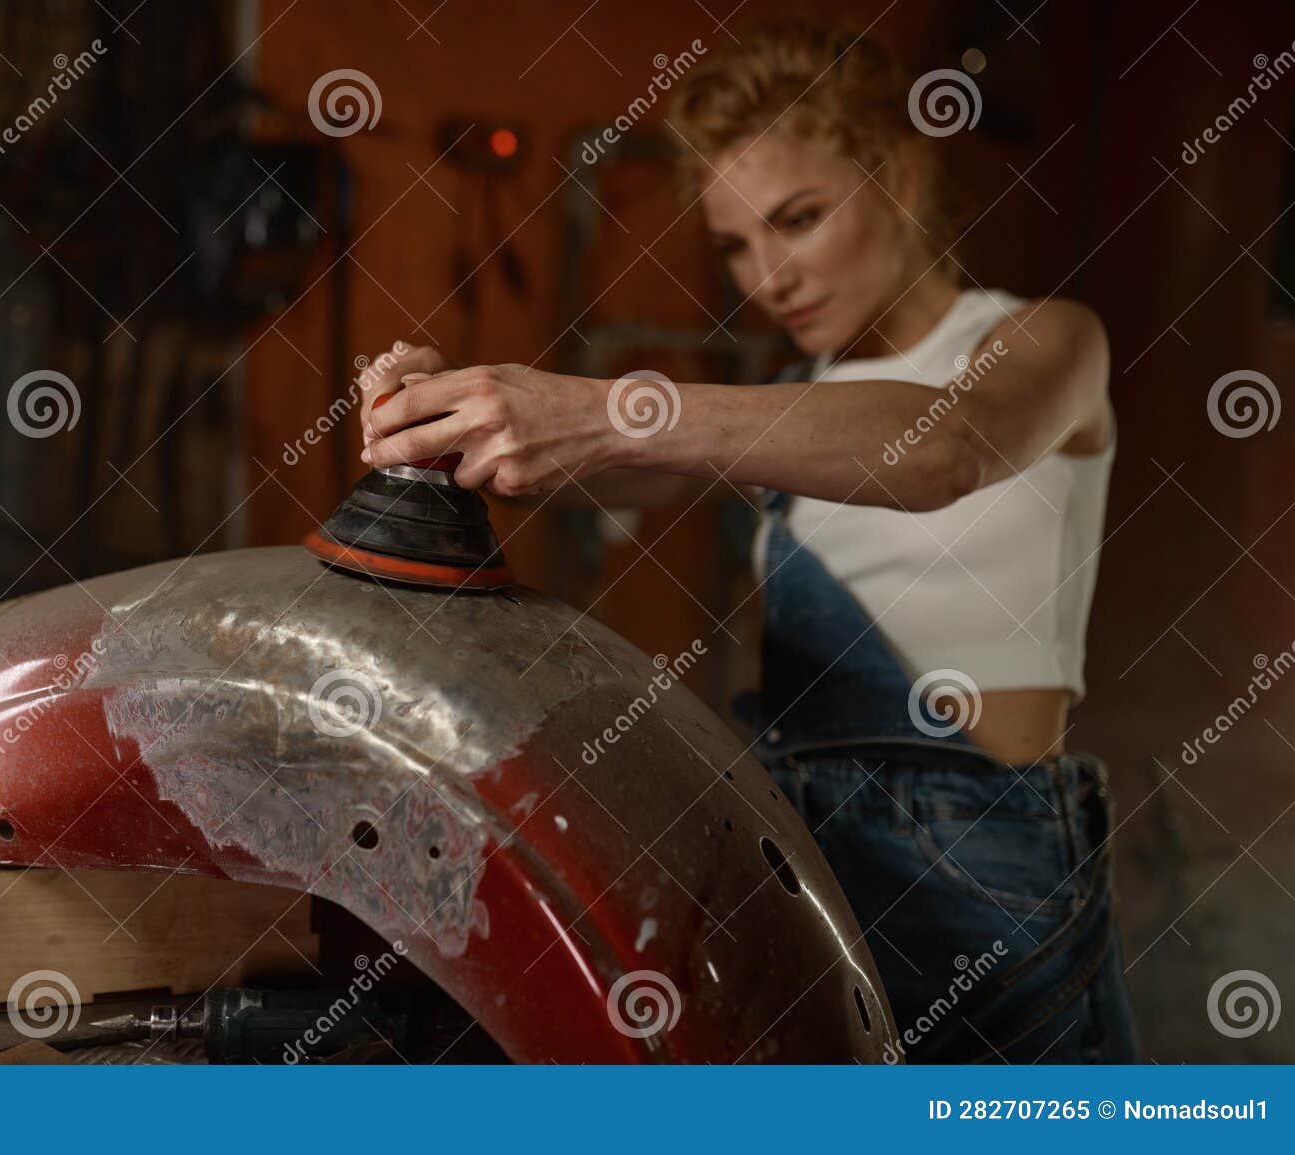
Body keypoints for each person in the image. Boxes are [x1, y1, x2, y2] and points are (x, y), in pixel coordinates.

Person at [355, 22, 1137, 1063]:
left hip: (972, 861)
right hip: (794, 844)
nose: (767, 277)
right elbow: (602, 470)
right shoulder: (789, 406)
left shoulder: (1039, 342)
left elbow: (943, 448)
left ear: (898, 176)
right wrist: (454, 418)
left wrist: (597, 412)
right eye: (734, 242)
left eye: (799, 219)